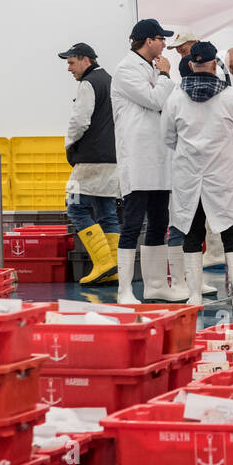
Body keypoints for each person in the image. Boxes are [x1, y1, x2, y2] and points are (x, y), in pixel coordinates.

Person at [163, 42, 233, 309]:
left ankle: (194, 294)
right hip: (223, 176)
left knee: (192, 234)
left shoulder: (176, 98)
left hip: (188, 177)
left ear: (191, 65)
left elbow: (168, 137)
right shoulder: (230, 97)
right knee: (232, 234)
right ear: (215, 65)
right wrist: (225, 150)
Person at [111, 18, 187, 304]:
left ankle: (155, 285)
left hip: (160, 157)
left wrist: (164, 77)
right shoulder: (126, 69)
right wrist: (166, 77)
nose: (165, 44)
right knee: (132, 224)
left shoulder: (153, 68)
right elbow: (156, 100)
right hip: (139, 158)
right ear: (147, 40)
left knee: (159, 221)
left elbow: (170, 102)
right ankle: (125, 290)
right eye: (160, 38)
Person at [60, 42, 120, 284]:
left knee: (74, 205)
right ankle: (114, 268)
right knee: (107, 212)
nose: (69, 69)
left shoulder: (88, 83)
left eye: (71, 63)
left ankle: (104, 262)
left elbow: (80, 121)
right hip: (112, 159)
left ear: (86, 60)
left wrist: (68, 144)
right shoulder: (110, 80)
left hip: (89, 161)